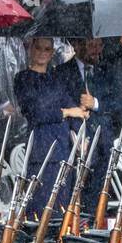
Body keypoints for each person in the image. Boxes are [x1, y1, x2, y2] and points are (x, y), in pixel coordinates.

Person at [14, 37, 85, 216]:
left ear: (52, 53)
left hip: (62, 149)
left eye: (47, 49)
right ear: (31, 49)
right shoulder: (23, 78)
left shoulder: (56, 78)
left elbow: (72, 106)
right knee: (40, 208)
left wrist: (81, 134)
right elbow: (36, 112)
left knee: (61, 209)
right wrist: (66, 113)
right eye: (38, 48)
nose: (42, 53)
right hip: (41, 148)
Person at [55, 37, 120, 210]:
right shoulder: (60, 73)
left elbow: (120, 103)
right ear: (76, 45)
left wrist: (96, 103)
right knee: (74, 200)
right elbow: (58, 106)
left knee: (99, 201)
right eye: (91, 44)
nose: (97, 50)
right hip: (75, 144)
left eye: (100, 45)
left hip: (103, 144)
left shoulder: (106, 71)